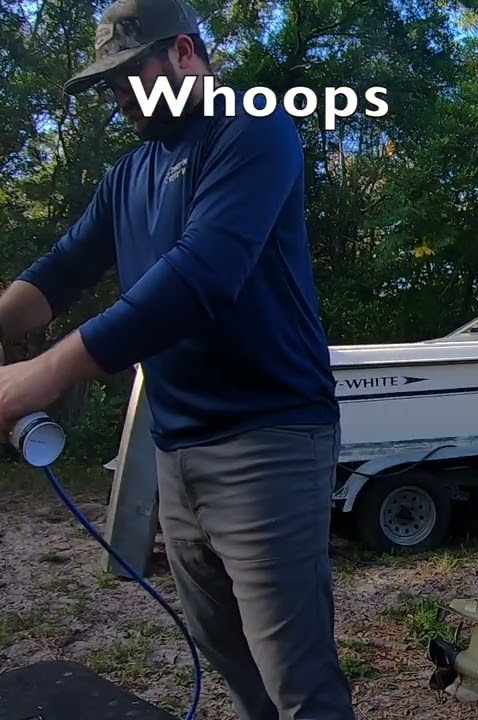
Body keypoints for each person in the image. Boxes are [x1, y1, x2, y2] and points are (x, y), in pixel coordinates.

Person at [0, 1, 357, 718]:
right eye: (110, 87)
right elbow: (57, 273)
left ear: (185, 54)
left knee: (296, 674)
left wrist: (37, 377)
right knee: (219, 639)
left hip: (269, 437)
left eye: (131, 76)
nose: (122, 97)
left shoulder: (254, 128)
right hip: (178, 443)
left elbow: (200, 276)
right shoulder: (129, 174)